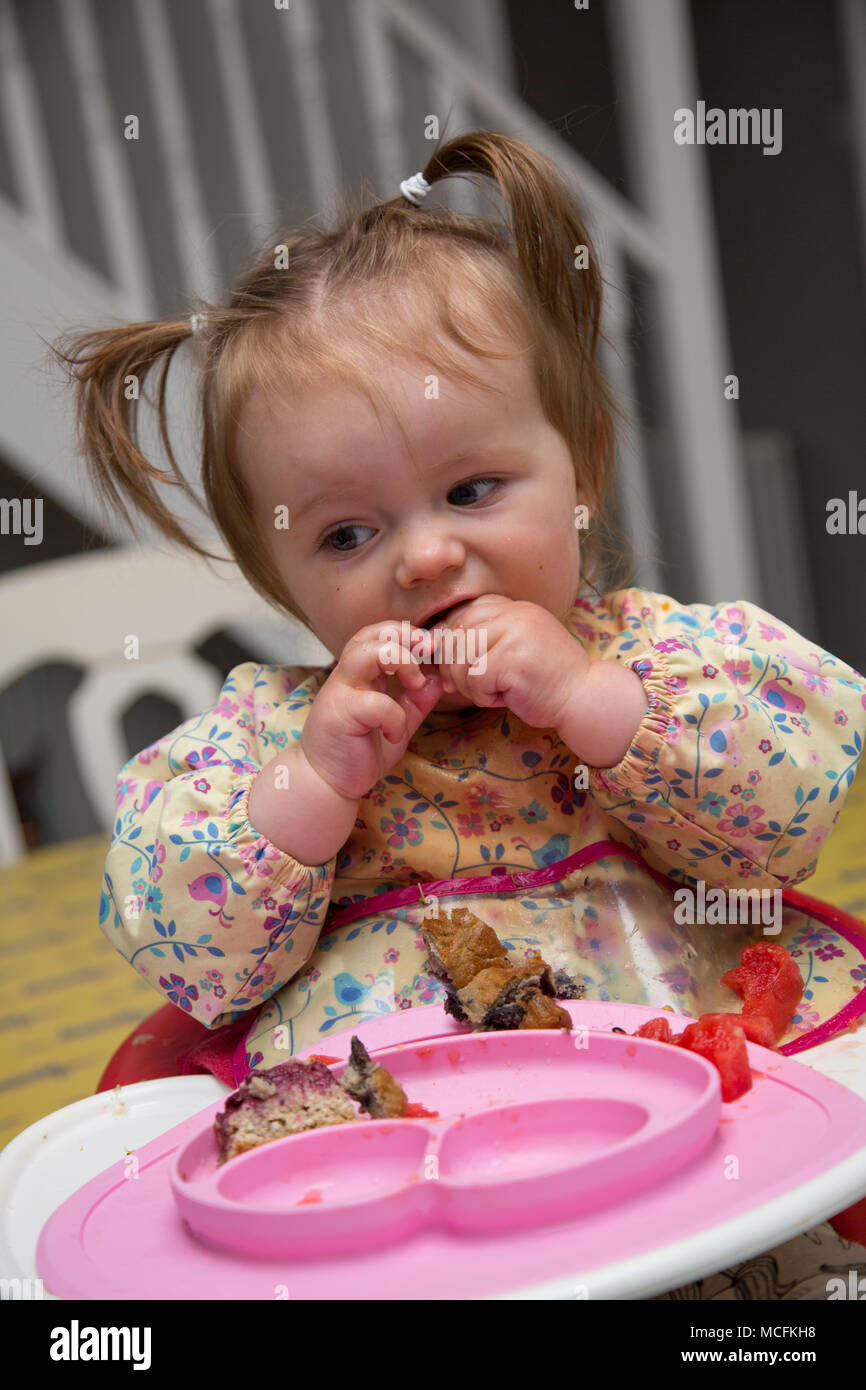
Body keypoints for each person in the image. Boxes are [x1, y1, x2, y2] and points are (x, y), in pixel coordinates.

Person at [54, 130, 866, 1294]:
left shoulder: (651, 656)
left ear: (580, 464)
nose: (426, 557)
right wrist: (314, 785)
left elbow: (777, 821)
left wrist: (594, 701)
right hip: (394, 1174)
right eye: (347, 534)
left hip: (676, 1109)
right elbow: (196, 955)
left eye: (471, 490)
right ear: (280, 577)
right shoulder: (271, 735)